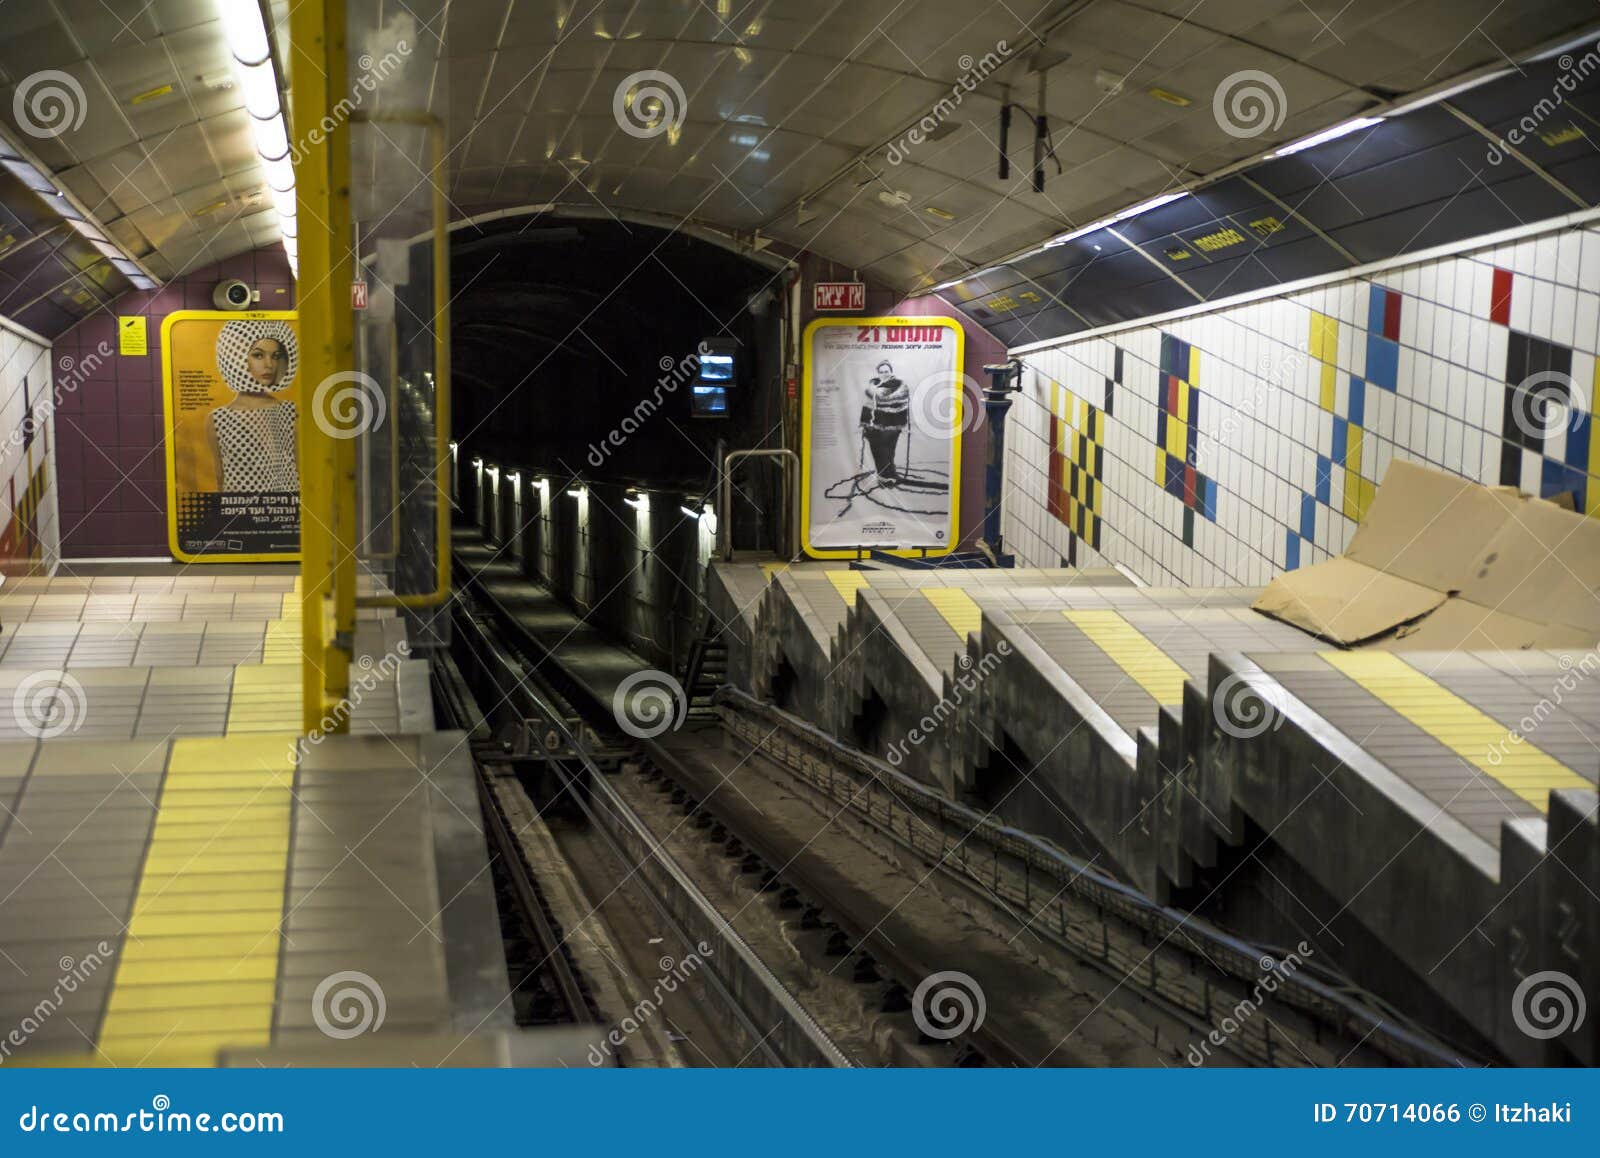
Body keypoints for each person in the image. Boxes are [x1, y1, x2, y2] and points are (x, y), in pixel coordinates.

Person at [208, 320, 298, 493]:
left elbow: (302, 470)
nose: (269, 365)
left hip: (285, 509)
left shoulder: (290, 412)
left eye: (276, 356)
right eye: (258, 355)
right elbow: (220, 476)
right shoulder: (217, 419)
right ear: (238, 358)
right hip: (240, 511)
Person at [859, 359, 909, 485]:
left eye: (886, 371)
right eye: (881, 372)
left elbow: (883, 396)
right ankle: (889, 476)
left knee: (885, 452)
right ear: (878, 373)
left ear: (891, 372)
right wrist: (865, 423)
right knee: (882, 452)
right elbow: (868, 405)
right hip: (874, 425)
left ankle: (887, 478)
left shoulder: (898, 384)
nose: (884, 374)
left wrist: (872, 389)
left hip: (892, 424)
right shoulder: (876, 385)